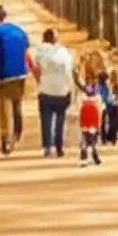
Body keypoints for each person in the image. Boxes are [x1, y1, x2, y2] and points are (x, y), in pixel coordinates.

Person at [0, 5, 31, 155]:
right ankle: (17, 131)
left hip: (3, 74)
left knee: (4, 107)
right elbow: (26, 50)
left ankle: (5, 139)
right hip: (21, 73)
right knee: (17, 102)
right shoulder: (19, 31)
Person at [31, 28, 75, 158]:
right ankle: (59, 146)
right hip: (62, 90)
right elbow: (69, 72)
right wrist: (70, 88)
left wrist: (39, 81)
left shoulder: (39, 52)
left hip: (45, 90)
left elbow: (35, 68)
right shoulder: (64, 53)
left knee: (46, 119)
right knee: (60, 119)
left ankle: (47, 147)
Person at [78, 83, 103, 167]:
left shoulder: (82, 97)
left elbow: (79, 108)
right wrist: (99, 125)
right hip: (94, 120)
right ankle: (95, 156)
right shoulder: (98, 98)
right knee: (93, 139)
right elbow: (100, 110)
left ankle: (83, 158)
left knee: (84, 137)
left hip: (84, 119)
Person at [98, 68, 118, 145]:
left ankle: (108, 137)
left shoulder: (109, 85)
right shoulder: (107, 85)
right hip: (109, 104)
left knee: (108, 122)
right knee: (110, 122)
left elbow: (113, 95)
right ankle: (110, 137)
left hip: (108, 104)